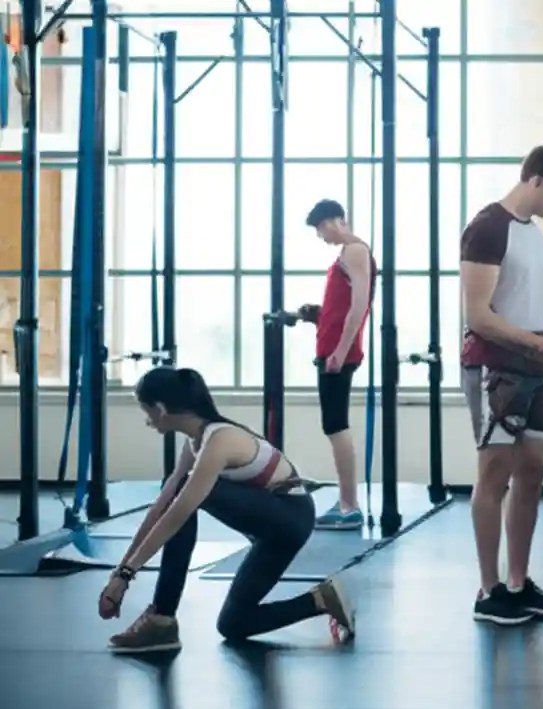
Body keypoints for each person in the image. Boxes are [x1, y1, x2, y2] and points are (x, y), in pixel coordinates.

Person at [98, 367, 356, 653]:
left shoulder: (219, 440)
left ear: (160, 408)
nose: (147, 421)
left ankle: (162, 619)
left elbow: (179, 511)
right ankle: (321, 600)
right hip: (274, 531)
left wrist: (126, 575)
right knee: (233, 624)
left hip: (290, 517)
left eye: (146, 411)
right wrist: (119, 573)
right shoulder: (194, 444)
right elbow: (161, 507)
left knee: (184, 492)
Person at [459, 142, 543, 626]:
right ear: (536, 181)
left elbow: (523, 306)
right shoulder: (488, 228)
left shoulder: (537, 239)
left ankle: (518, 582)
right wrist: (534, 345)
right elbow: (477, 316)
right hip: (496, 366)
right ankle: (489, 591)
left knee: (532, 470)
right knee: (495, 475)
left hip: (536, 363)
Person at [296, 199, 376, 531]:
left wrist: (342, 350)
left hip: (339, 352)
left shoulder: (356, 252)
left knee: (335, 425)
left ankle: (350, 506)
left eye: (321, 228)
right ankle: (347, 503)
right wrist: (318, 314)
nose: (321, 236)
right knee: (333, 425)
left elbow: (360, 306)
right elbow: (343, 306)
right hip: (331, 346)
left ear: (336, 221)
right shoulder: (345, 256)